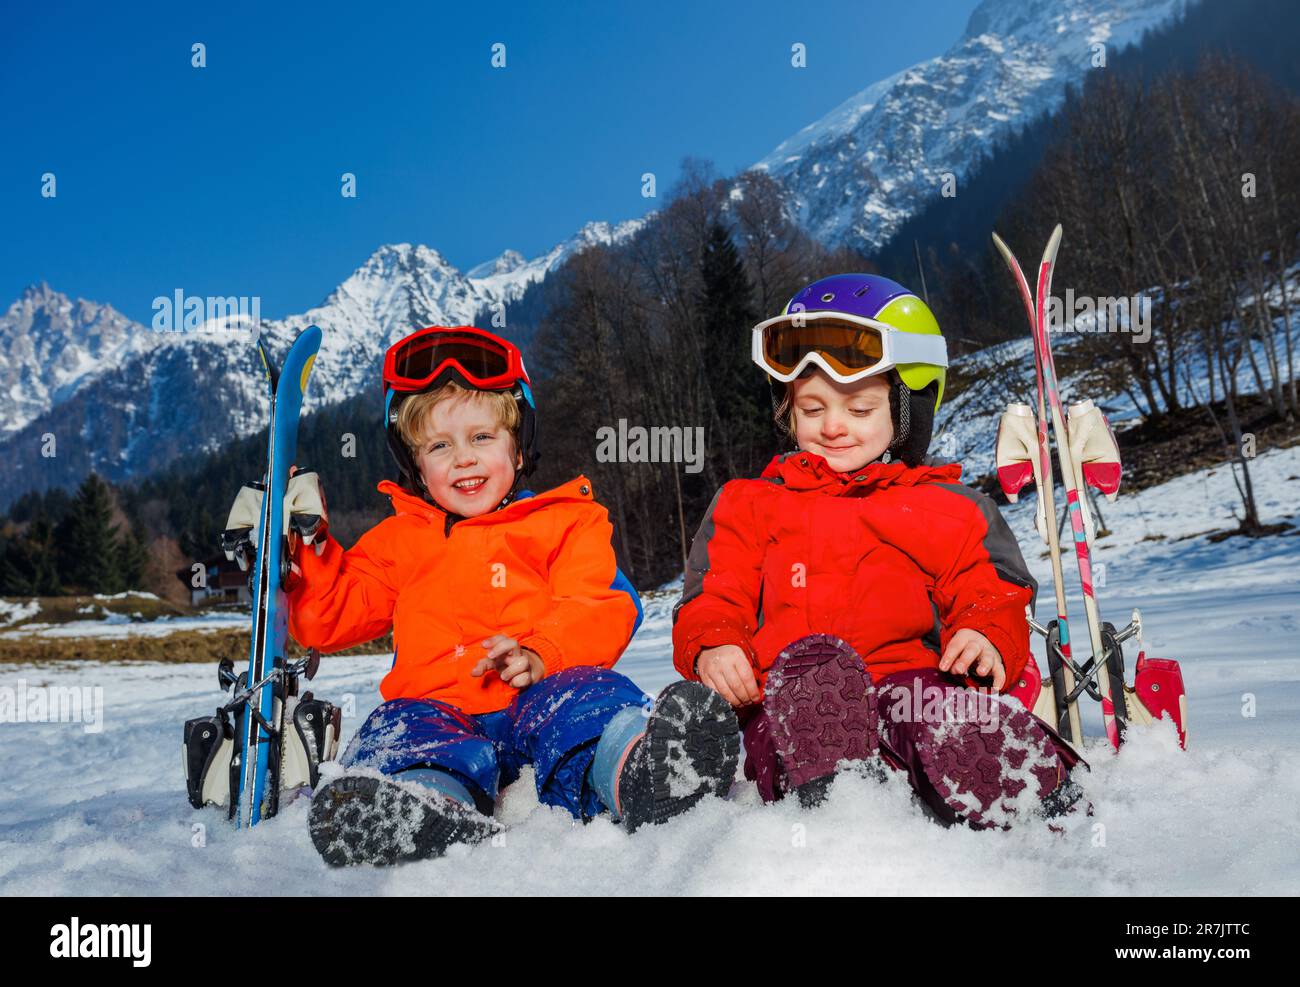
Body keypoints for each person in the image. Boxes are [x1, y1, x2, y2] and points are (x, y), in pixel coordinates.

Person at [286, 325, 739, 865]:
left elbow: (601, 605)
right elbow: (326, 619)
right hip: (438, 710)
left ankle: (641, 773)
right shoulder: (398, 541)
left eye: (482, 438)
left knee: (592, 699)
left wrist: (541, 653)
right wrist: (307, 546)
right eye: (439, 445)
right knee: (396, 728)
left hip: (543, 697)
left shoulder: (564, 523)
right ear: (415, 467)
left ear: (518, 449)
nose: (463, 459)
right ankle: (426, 806)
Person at [671, 275, 1083, 828]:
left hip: (910, 683)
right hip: (784, 698)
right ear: (786, 409)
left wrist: (985, 632)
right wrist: (714, 646)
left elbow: (992, 588)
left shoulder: (945, 507)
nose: (833, 426)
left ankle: (1016, 779)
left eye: (860, 410)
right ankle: (831, 791)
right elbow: (713, 596)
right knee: (794, 712)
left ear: (907, 408)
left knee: (939, 715)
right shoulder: (748, 505)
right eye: (812, 409)